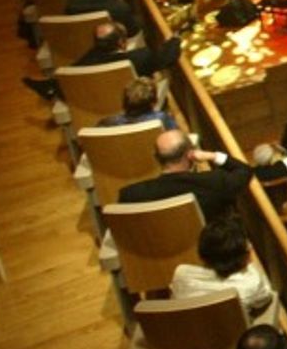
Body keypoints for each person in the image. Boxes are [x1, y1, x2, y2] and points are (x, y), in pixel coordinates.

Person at [117, 129, 252, 221]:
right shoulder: (214, 182)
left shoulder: (130, 196)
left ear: (156, 158)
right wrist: (212, 155)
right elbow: (244, 170)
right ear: (190, 155)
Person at [170, 216, 275, 321]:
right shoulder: (252, 282)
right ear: (244, 257)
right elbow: (265, 298)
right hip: (233, 336)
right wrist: (251, 264)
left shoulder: (181, 274)